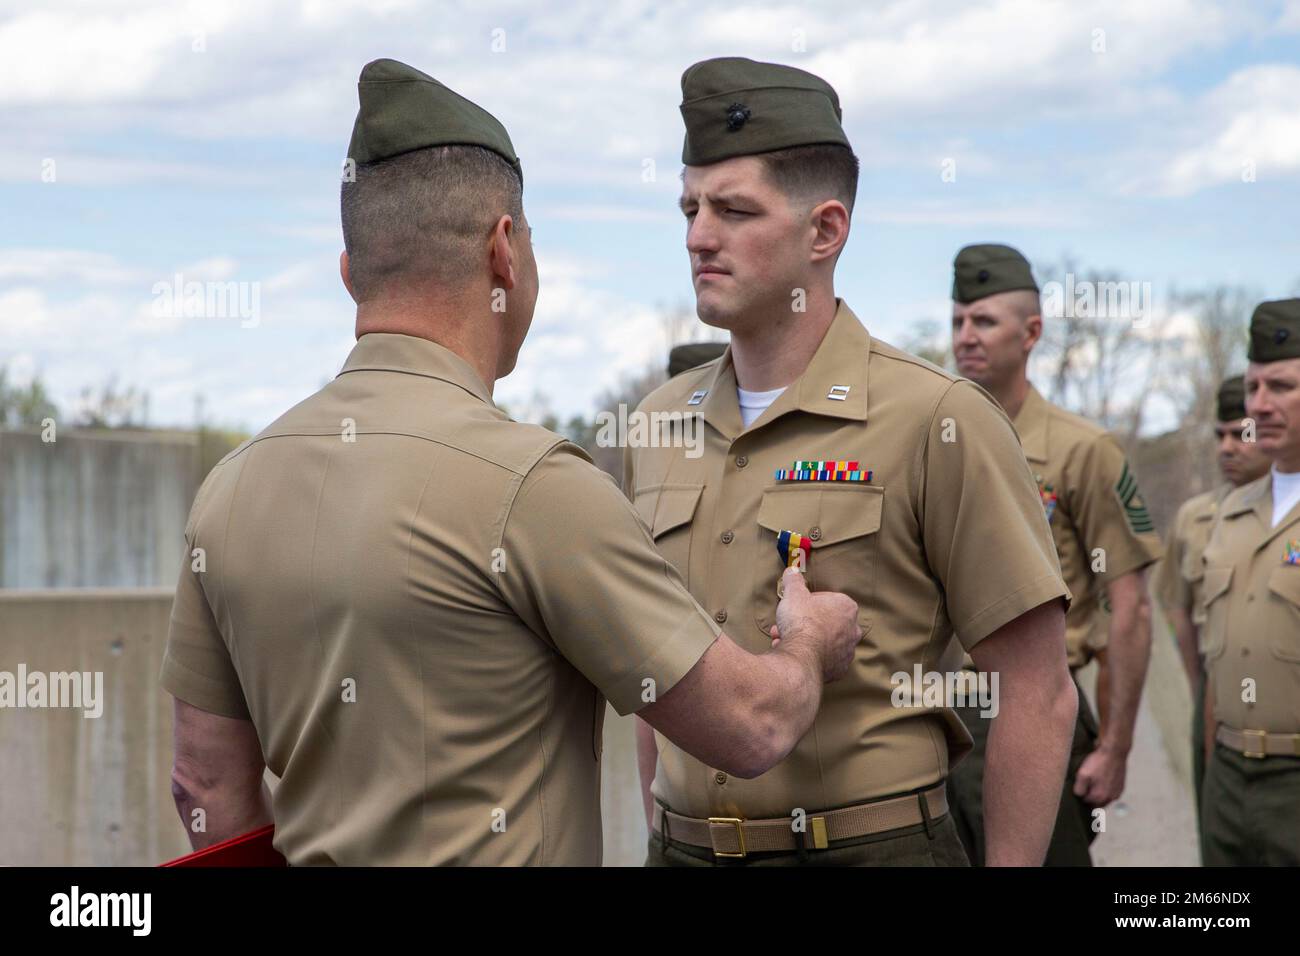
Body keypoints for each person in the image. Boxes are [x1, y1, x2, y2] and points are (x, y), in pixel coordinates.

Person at [158, 58, 862, 866]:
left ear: (352, 273)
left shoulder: (230, 490)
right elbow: (749, 726)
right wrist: (810, 642)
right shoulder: (535, 489)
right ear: (505, 253)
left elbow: (203, 785)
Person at [626, 57, 1075, 867]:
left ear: (824, 231)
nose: (698, 235)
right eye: (689, 207)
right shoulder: (658, 422)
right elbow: (653, 670)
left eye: (733, 210)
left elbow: (1037, 690)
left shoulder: (937, 419)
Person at [947, 243, 1163, 865]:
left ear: (1032, 331)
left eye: (984, 320)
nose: (966, 336)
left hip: (1035, 705)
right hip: (939, 709)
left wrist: (1116, 746)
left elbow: (1131, 608)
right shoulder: (937, 439)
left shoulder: (1083, 451)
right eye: (958, 319)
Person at [1199, 298, 1300, 865]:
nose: (1259, 404)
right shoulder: (1232, 512)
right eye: (1254, 385)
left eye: (1281, 386)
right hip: (1230, 777)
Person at [1153, 375, 1270, 833]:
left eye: (1241, 434)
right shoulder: (1195, 518)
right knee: (1219, 827)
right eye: (1219, 435)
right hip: (1213, 686)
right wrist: (1200, 684)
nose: (1227, 447)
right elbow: (1176, 610)